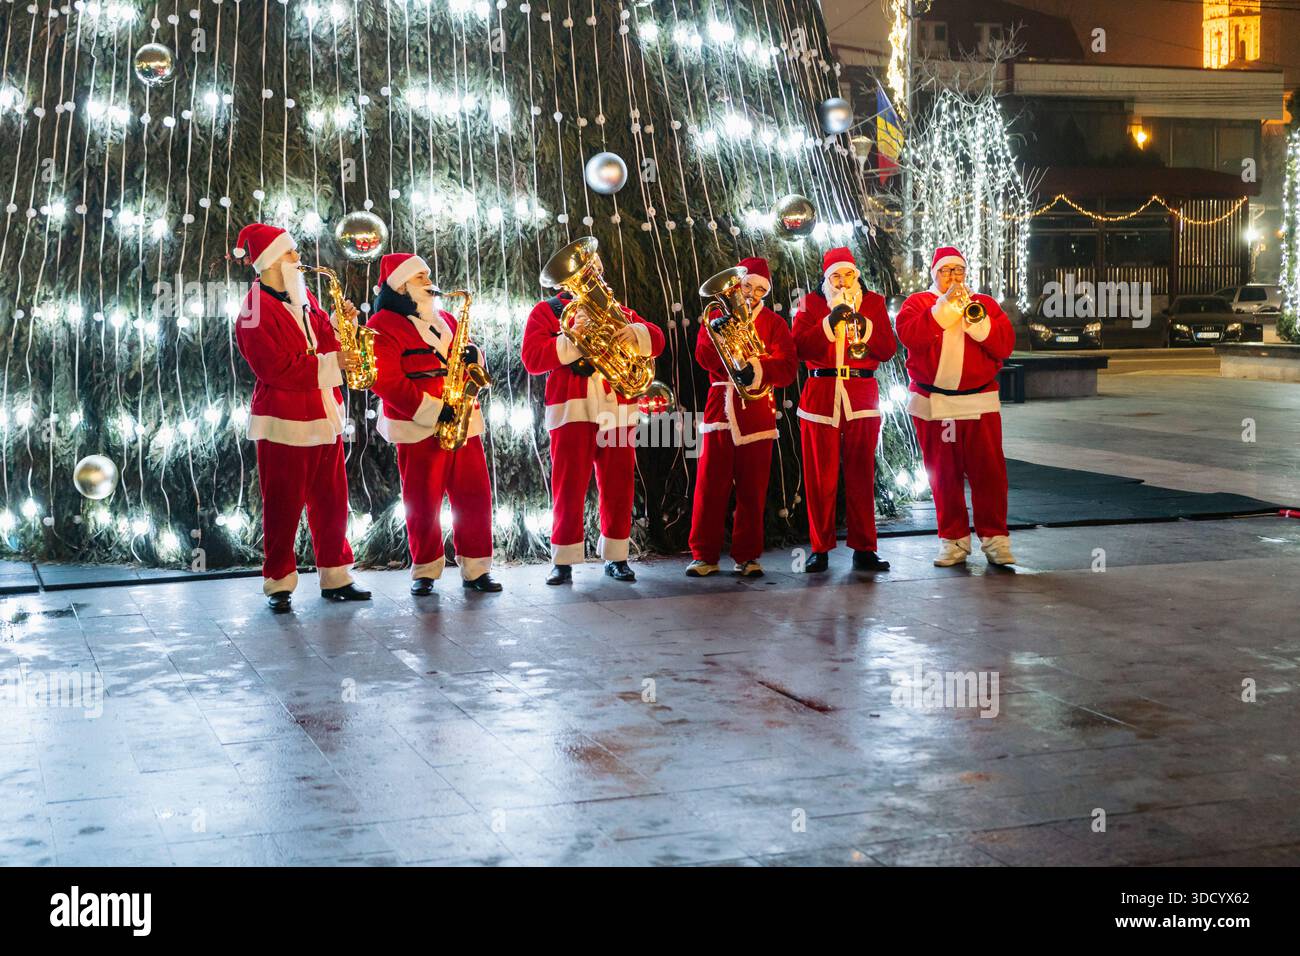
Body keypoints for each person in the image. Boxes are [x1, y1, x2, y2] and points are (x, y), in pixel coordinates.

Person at [232, 223, 371, 612]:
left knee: (332, 500)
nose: (299, 259)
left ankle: (336, 575)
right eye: (291, 253)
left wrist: (346, 327)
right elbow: (276, 369)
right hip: (285, 422)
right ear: (271, 261)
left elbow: (325, 341)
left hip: (324, 416)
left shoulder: (302, 295)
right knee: (283, 505)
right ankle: (278, 583)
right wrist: (333, 361)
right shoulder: (253, 312)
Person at [521, 251, 665, 585]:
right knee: (568, 486)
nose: (595, 278)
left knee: (619, 485)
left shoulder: (619, 311)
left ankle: (617, 557)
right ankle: (563, 559)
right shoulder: (548, 311)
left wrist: (637, 333)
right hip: (572, 410)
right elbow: (532, 358)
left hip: (617, 410)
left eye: (597, 271)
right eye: (588, 272)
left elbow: (657, 339)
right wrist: (572, 339)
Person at [367, 253, 501, 595]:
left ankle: (476, 569)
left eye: (428, 274)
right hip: (419, 426)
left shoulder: (446, 320)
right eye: (420, 276)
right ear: (401, 285)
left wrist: (474, 356)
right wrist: (431, 409)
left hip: (462, 421)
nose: (429, 281)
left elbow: (463, 357)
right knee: (422, 500)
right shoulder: (382, 324)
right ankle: (425, 570)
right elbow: (385, 380)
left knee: (474, 497)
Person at [895, 246, 1017, 567]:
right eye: (946, 271)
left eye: (958, 271)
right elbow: (911, 336)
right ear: (934, 274)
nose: (953, 277)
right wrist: (945, 310)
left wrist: (977, 323)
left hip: (979, 401)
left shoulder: (983, 304)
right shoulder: (918, 303)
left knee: (988, 471)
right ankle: (953, 540)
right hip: (935, 402)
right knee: (944, 474)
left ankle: (995, 538)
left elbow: (1004, 344)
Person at [686, 257, 797, 578]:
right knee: (710, 486)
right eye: (748, 286)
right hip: (719, 407)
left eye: (760, 289)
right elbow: (703, 357)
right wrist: (722, 340)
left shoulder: (775, 324)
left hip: (758, 411)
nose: (753, 294)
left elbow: (788, 367)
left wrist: (758, 368)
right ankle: (703, 555)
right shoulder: (718, 316)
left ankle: (747, 555)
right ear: (737, 285)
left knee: (753, 488)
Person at [792, 246, 897, 574]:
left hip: (861, 398)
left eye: (848, 274)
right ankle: (820, 548)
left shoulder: (874, 303)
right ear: (826, 278)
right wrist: (827, 324)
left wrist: (864, 326)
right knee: (819, 478)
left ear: (857, 274)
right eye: (835, 275)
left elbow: (887, 349)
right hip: (820, 397)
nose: (842, 281)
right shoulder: (809, 304)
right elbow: (799, 348)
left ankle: (864, 547)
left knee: (862, 475)